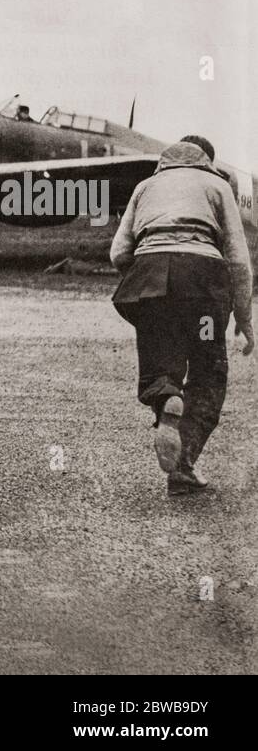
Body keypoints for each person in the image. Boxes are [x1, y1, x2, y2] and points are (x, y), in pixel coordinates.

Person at [110, 136, 254, 495]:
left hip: (152, 282)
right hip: (203, 288)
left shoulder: (146, 186)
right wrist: (244, 317)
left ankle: (166, 397)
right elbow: (239, 260)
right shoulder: (217, 184)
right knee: (207, 369)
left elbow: (118, 252)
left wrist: (149, 276)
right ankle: (183, 467)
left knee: (162, 359)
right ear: (207, 159)